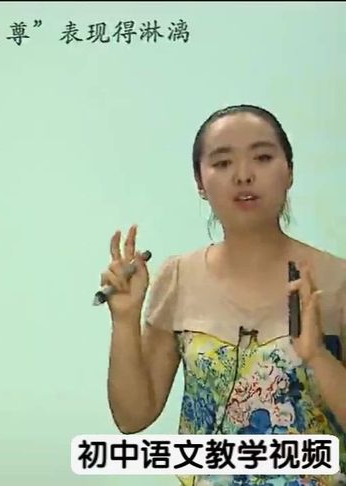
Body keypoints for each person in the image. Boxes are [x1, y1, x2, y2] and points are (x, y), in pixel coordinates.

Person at [102, 104, 346, 486]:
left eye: (262, 157)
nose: (244, 175)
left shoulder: (337, 280)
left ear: (290, 171)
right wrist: (124, 320)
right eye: (222, 163)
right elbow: (133, 417)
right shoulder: (177, 277)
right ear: (200, 183)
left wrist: (317, 355)